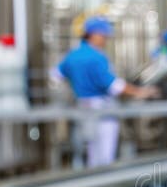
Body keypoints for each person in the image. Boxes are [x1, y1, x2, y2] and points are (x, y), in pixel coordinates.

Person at [53, 16, 158, 167]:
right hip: (103, 110)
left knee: (89, 154)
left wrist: (74, 83)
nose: (105, 41)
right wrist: (141, 92)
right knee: (104, 157)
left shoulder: (72, 56)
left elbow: (55, 75)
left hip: (82, 108)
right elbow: (114, 86)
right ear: (93, 34)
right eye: (103, 36)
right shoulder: (97, 57)